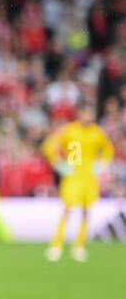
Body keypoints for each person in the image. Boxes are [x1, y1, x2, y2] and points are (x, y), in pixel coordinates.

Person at [42, 101, 113, 262]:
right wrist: (59, 164)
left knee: (86, 211)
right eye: (86, 113)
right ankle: (56, 245)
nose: (89, 116)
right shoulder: (69, 130)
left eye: (91, 113)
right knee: (67, 209)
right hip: (73, 176)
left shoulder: (98, 133)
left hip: (89, 176)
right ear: (79, 114)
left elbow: (108, 150)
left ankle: (79, 246)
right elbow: (49, 146)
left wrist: (101, 164)